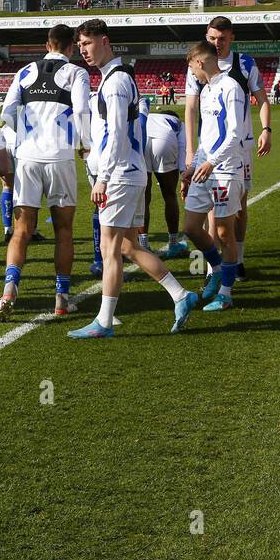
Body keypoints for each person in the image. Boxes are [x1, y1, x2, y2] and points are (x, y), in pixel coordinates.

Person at [70, 19, 198, 338]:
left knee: (109, 248)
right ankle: (181, 295)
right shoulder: (121, 76)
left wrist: (102, 177)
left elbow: (116, 136)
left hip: (120, 175)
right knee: (127, 246)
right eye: (80, 45)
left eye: (88, 43)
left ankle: (104, 321)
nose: (83, 50)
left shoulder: (114, 83)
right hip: (131, 173)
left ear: (104, 41)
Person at [0, 24, 91, 321]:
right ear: (70, 47)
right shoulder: (77, 73)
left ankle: (9, 289)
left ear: (47, 44)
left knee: (22, 229)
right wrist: (84, 145)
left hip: (28, 158)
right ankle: (61, 297)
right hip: (60, 157)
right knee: (64, 229)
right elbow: (82, 111)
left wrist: (23, 137)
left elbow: (7, 113)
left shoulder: (24, 72)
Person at [182, 16, 271, 281]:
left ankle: (237, 260)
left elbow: (262, 99)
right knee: (210, 210)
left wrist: (266, 129)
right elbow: (190, 108)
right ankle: (214, 268)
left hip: (239, 148)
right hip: (208, 149)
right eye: (211, 38)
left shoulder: (244, 64)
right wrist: (190, 152)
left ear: (231, 37)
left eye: (221, 38)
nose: (216, 43)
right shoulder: (197, 69)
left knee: (238, 208)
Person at [178, 40, 248, 312]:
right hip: (205, 168)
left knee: (223, 231)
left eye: (191, 68)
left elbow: (235, 133)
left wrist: (211, 162)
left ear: (199, 61)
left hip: (226, 169)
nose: (192, 74)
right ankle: (217, 269)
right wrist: (192, 167)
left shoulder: (231, 87)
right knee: (191, 227)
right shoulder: (206, 91)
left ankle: (226, 293)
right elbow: (207, 136)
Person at [141, 99, 188, 259]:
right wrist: (183, 174)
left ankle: (143, 244)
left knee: (144, 199)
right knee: (169, 195)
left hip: (143, 139)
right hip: (165, 141)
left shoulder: (151, 116)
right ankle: (173, 243)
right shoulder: (178, 122)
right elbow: (183, 147)